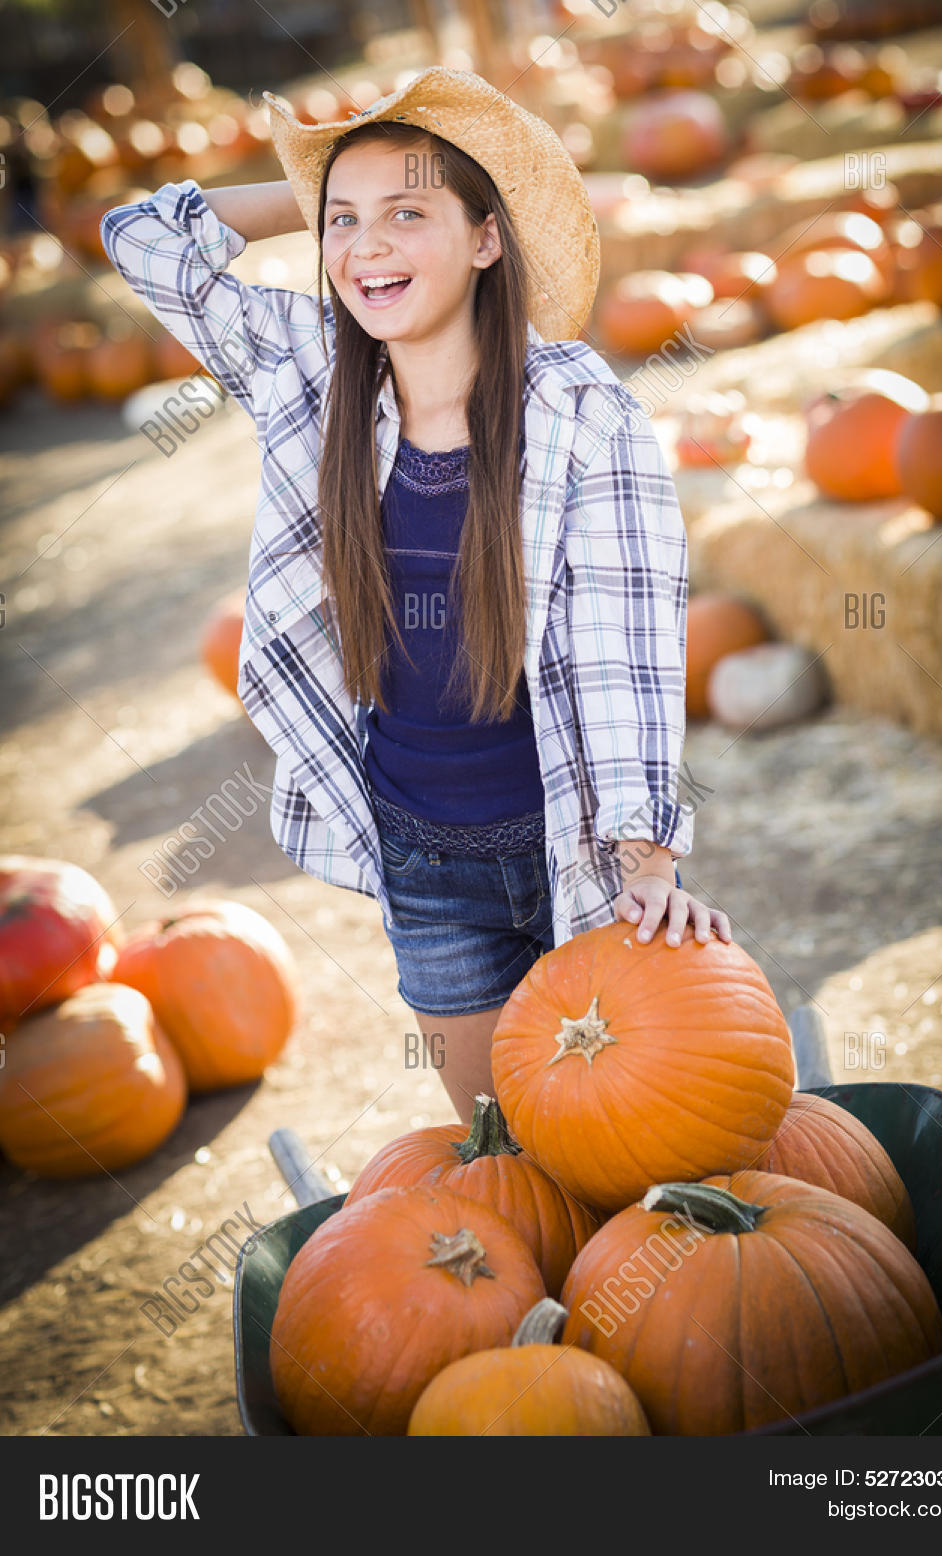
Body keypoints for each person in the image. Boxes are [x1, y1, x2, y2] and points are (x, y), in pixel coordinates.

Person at [101, 65, 731, 1121]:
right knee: (499, 1153)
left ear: (486, 237)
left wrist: (646, 858)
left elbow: (622, 643)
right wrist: (325, 201)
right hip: (423, 860)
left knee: (624, 1136)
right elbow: (140, 235)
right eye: (344, 222)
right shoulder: (308, 365)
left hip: (569, 840)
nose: (367, 246)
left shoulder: (579, 410)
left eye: (409, 213)